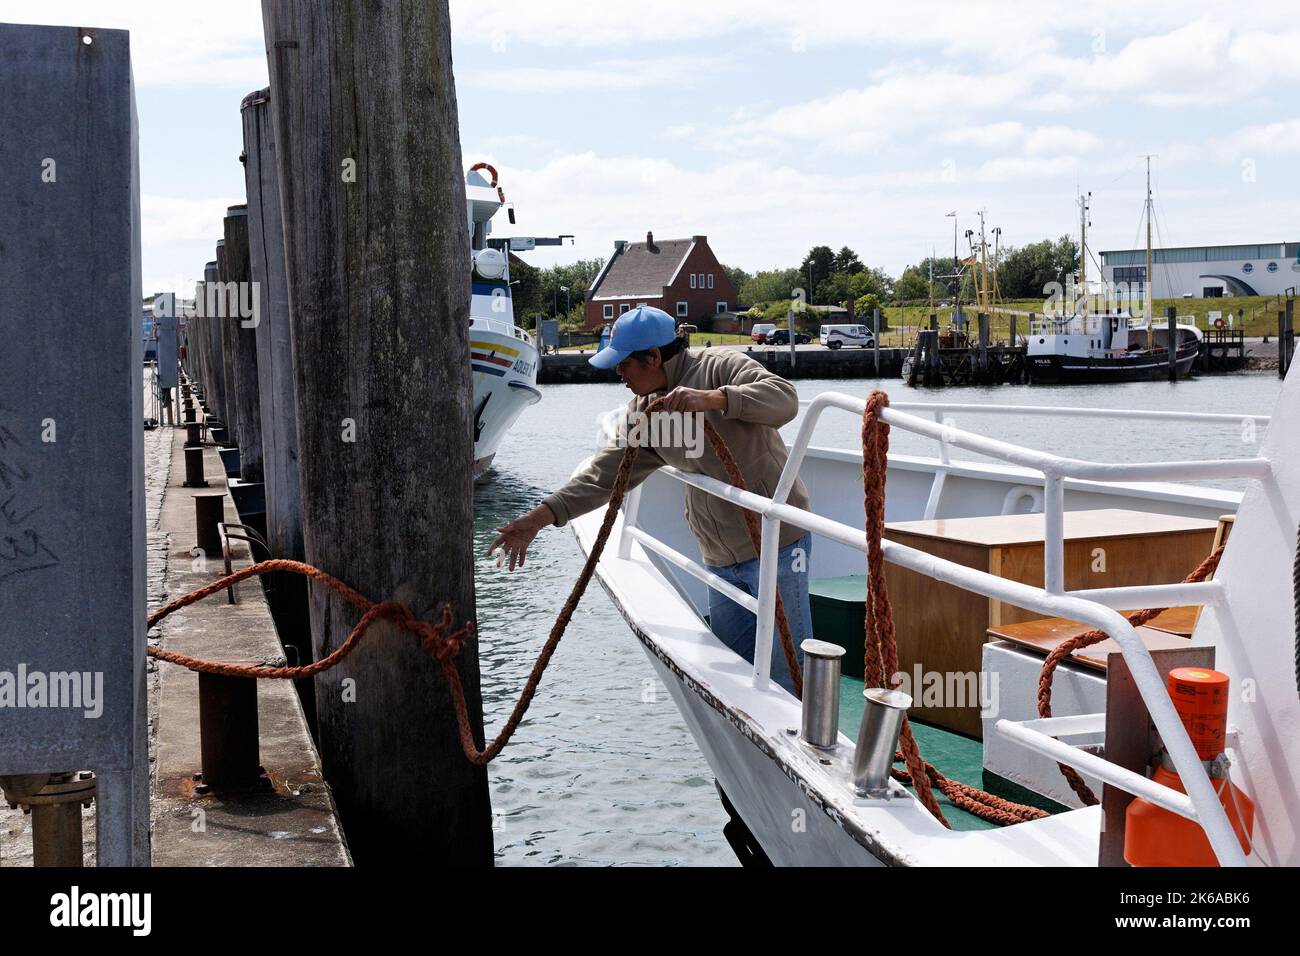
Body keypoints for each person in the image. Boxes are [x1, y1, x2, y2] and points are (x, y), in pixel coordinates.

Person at [488, 305, 813, 693]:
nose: (619, 375)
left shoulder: (721, 366)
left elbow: (784, 400)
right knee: (734, 677)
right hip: (718, 557)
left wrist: (715, 399)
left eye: (624, 365)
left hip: (778, 546)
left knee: (787, 676)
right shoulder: (644, 413)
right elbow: (603, 476)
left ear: (654, 356)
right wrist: (536, 520)